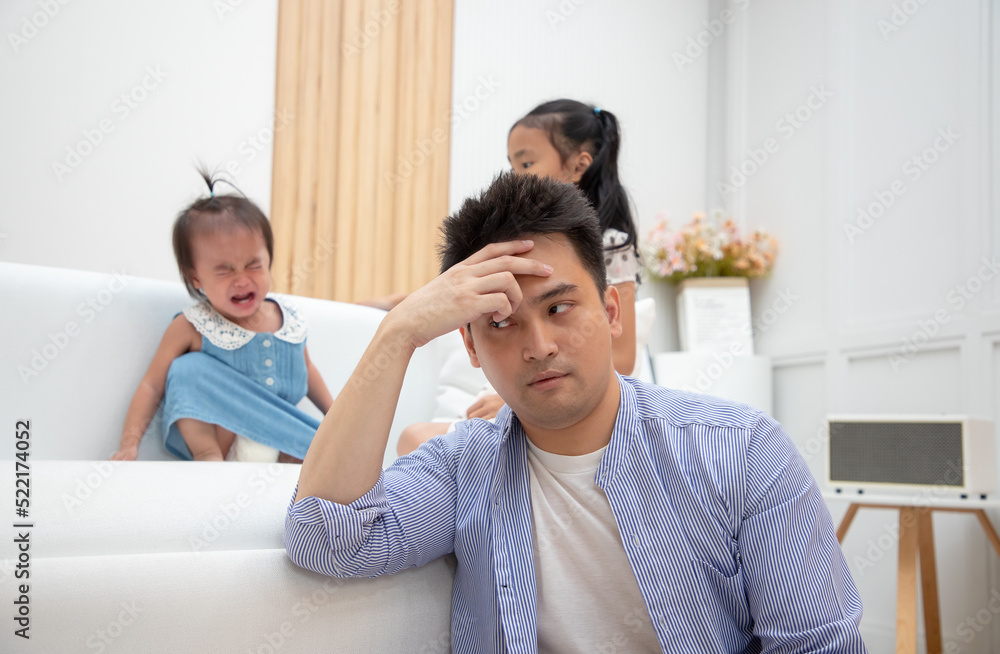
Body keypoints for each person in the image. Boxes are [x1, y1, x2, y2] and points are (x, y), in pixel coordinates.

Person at [284, 172, 867, 653]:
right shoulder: (464, 468)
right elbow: (326, 539)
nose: (538, 345)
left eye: (559, 307)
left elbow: (818, 644)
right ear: (470, 349)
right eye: (502, 323)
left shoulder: (743, 451)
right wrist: (398, 333)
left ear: (612, 311)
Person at [396, 99, 646, 455]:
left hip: (580, 407)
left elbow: (622, 358)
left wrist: (515, 403)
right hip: (516, 402)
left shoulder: (612, 246)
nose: (516, 174)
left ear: (578, 165)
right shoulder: (512, 243)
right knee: (415, 438)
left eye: (526, 162)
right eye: (512, 164)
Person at [111, 172, 333, 462]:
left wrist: (336, 416)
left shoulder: (287, 319)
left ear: (269, 261)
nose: (242, 280)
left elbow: (308, 370)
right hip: (221, 442)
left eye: (254, 265)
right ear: (196, 278)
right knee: (186, 368)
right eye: (224, 270)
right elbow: (152, 385)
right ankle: (209, 460)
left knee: (333, 454)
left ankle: (301, 470)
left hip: (282, 440)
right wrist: (129, 445)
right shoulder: (191, 326)